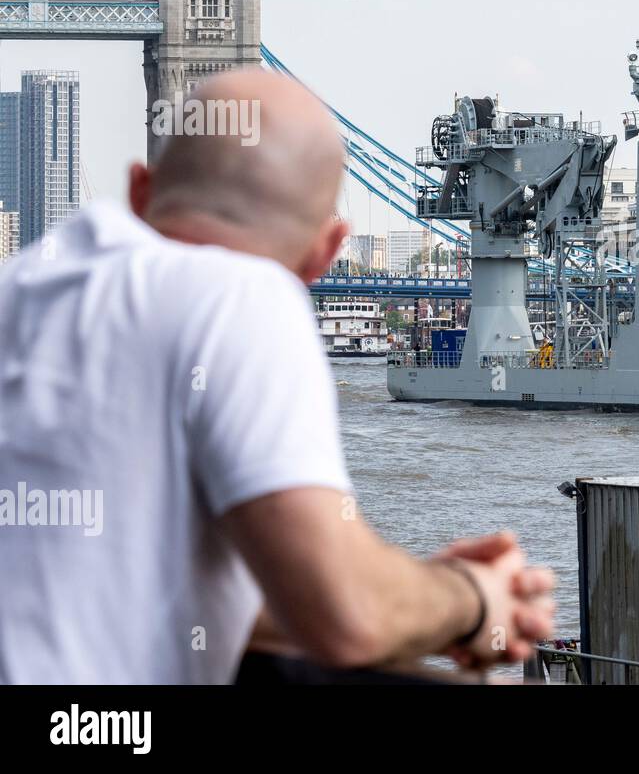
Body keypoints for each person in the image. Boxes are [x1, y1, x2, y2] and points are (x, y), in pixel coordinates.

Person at [0, 69, 554, 684]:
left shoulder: (20, 289)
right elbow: (344, 616)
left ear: (138, 190)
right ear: (327, 250)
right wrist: (471, 599)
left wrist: (406, 588)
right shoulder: (243, 297)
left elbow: (137, 586)